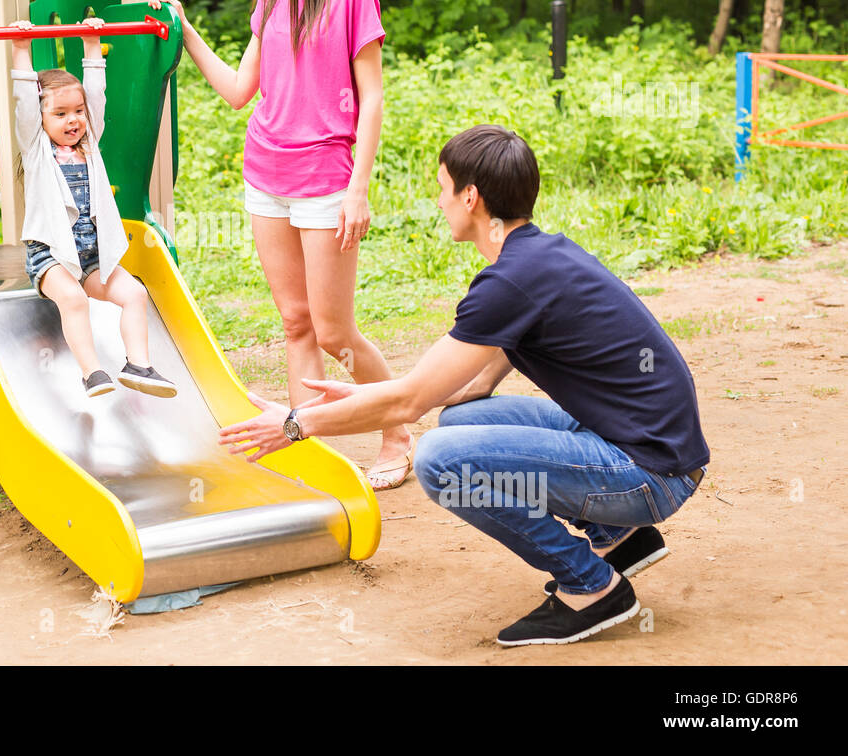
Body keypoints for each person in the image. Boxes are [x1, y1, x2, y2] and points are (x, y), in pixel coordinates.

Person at [216, 125, 711, 647]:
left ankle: (591, 587)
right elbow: (457, 386)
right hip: (647, 446)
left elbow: (410, 401)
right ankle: (619, 537)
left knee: (440, 460)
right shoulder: (537, 257)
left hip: (650, 473)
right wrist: (371, 396)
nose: (439, 200)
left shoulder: (511, 282)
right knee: (460, 423)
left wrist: (297, 424)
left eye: (442, 187)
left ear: (470, 197)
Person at [147, 0, 414, 490]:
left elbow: (371, 97)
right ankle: (304, 445)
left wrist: (358, 189)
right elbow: (242, 91)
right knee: (295, 323)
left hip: (327, 180)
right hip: (265, 174)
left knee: (334, 329)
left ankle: (397, 428)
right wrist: (184, 30)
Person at [10, 18, 177, 399]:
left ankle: (138, 364)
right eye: (60, 114)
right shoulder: (37, 151)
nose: (73, 120)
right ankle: (91, 373)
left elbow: (96, 94)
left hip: (91, 256)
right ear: (42, 119)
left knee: (134, 294)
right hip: (50, 255)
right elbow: (24, 103)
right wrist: (21, 49)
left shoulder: (90, 145)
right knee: (73, 299)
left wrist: (92, 43)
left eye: (78, 111)